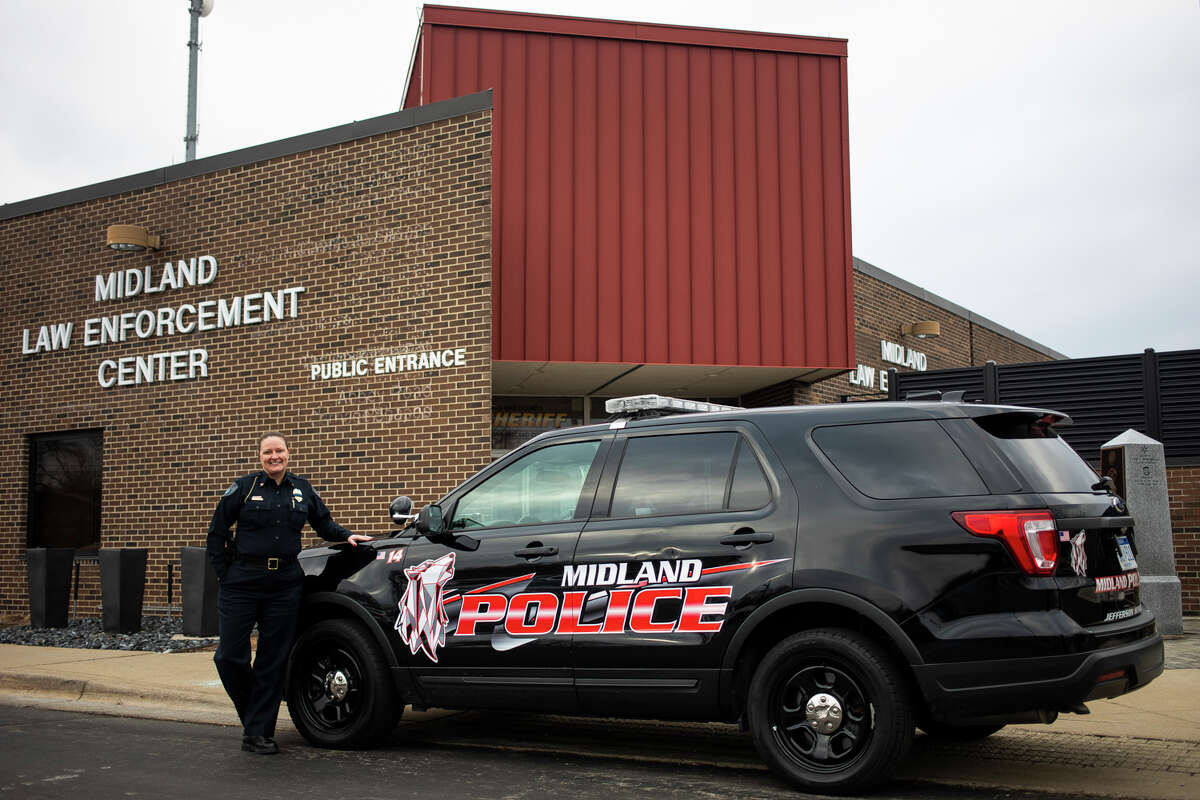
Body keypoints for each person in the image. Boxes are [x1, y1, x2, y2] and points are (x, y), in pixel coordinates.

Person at [206, 432, 371, 755]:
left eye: (278, 451)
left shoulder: (302, 489)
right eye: (267, 452)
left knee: (272, 659)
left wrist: (349, 536)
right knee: (229, 656)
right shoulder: (243, 488)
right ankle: (254, 715)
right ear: (260, 456)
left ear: (288, 454)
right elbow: (217, 532)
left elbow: (324, 525)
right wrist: (225, 574)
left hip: (284, 584)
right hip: (242, 582)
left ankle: (258, 733)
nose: (274, 457)